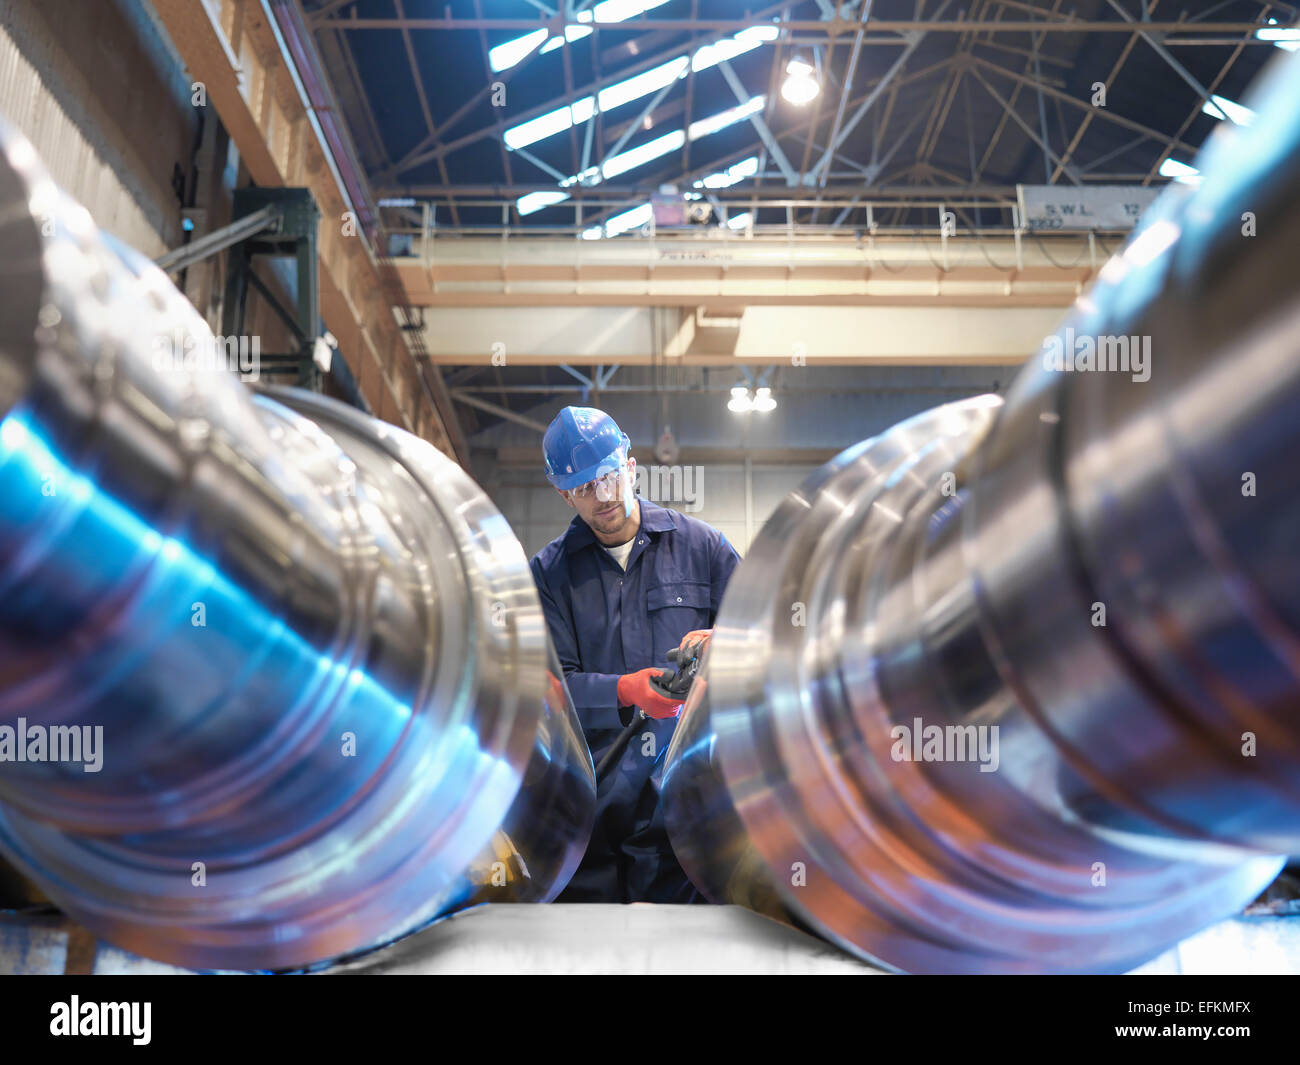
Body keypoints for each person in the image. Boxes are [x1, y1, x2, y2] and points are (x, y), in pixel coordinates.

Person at [529, 406, 740, 903]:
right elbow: (547, 686)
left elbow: (764, 636)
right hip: (592, 805)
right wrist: (624, 691)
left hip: (689, 794)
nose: (603, 497)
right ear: (563, 494)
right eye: (583, 488)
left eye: (608, 476)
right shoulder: (548, 576)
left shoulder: (704, 548)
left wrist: (722, 646)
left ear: (630, 464)